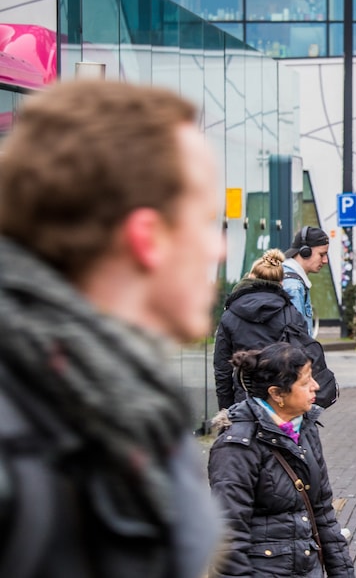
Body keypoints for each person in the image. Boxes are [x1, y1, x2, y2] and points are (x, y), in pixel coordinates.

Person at [0, 80, 223, 576]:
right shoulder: (25, 443)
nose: (218, 249)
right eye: (206, 220)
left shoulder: (119, 403)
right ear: (148, 238)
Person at [208, 343, 354, 577]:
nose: (315, 387)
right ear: (277, 393)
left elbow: (323, 514)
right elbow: (228, 536)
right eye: (305, 383)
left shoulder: (305, 428)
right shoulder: (237, 446)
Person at [214, 248, 339, 411]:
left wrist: (227, 409)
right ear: (281, 282)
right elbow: (302, 359)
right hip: (281, 400)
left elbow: (222, 369)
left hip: (244, 400)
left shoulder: (230, 315)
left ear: (251, 277)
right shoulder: (290, 314)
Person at [283, 225, 330, 337]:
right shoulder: (293, 286)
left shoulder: (289, 278)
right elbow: (296, 337)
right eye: (321, 254)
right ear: (305, 252)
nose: (325, 261)